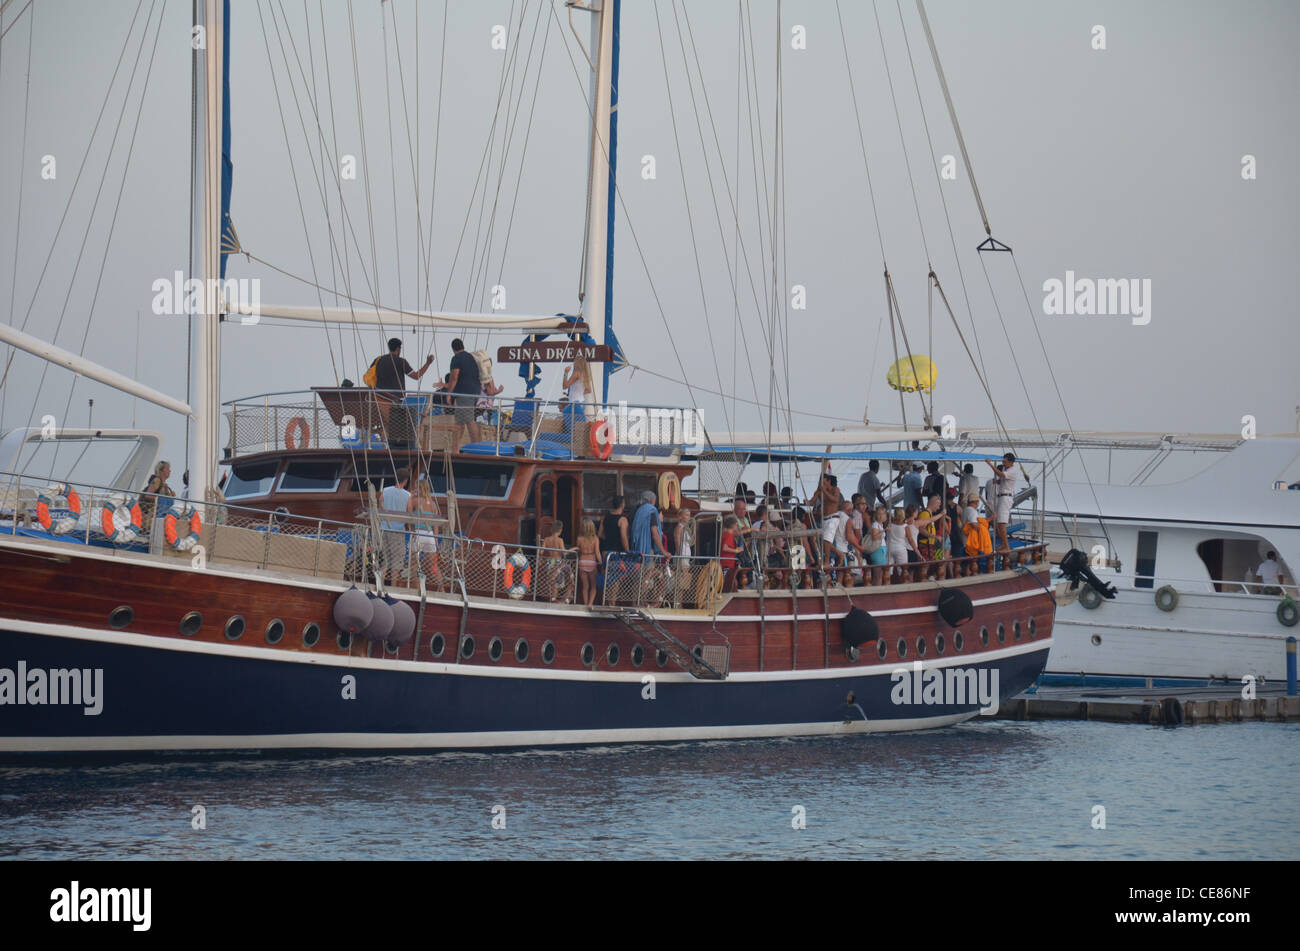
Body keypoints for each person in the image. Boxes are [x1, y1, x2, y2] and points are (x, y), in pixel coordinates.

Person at [441, 338, 482, 448]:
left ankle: (476, 447)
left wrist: (448, 394)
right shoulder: (471, 357)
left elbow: (454, 377)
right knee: (459, 421)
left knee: (469, 420)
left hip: (464, 392)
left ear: (453, 349)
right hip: (475, 391)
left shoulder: (456, 358)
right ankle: (455, 448)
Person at [408, 478, 443, 590]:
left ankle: (418, 590)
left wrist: (411, 497)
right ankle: (442, 590)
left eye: (417, 487)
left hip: (418, 534)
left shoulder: (415, 500)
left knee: (414, 565)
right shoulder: (433, 504)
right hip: (430, 536)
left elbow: (408, 513)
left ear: (421, 488)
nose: (415, 489)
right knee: (433, 567)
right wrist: (436, 540)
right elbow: (435, 524)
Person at [380, 467, 412, 586]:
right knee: (396, 562)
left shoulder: (385, 490)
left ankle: (381, 585)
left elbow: (380, 503)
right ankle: (393, 588)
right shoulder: (408, 495)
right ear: (406, 480)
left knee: (384, 561)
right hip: (398, 531)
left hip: (384, 529)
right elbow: (409, 513)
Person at [986, 452, 1021, 560]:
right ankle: (1003, 543)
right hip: (1001, 497)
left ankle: (1006, 545)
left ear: (1010, 462)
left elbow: (1002, 475)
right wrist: (997, 481)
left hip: (1006, 498)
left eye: (1005, 462)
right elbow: (1002, 480)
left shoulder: (1011, 471)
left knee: (1001, 523)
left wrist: (990, 465)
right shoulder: (1007, 470)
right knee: (999, 523)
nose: (1003, 463)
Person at [561, 351, 595, 436]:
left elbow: (565, 386)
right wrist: (578, 392)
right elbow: (589, 390)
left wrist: (565, 373)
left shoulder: (576, 374)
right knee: (577, 425)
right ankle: (576, 440)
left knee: (567, 419)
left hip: (575, 403)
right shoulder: (584, 374)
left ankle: (572, 440)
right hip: (581, 402)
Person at [140, 460, 176, 534]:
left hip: (158, 517)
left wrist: (170, 496)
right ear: (161, 471)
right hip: (151, 516)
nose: (170, 471)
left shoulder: (165, 486)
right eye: (167, 469)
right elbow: (148, 495)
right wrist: (162, 498)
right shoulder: (157, 481)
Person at [574, 518, 602, 607]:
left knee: (585, 587)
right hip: (592, 562)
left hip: (582, 561)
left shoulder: (579, 538)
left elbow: (578, 550)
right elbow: (597, 552)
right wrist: (601, 563)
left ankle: (585, 605)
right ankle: (590, 604)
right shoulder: (595, 539)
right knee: (593, 586)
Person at [631, 490, 667, 557]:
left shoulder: (637, 511)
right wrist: (664, 552)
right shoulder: (651, 511)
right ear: (652, 500)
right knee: (648, 567)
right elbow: (655, 534)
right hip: (648, 551)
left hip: (636, 549)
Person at [541, 519, 569, 602]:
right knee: (557, 583)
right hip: (558, 562)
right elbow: (564, 553)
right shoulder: (560, 540)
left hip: (550, 562)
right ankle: (554, 599)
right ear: (560, 530)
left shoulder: (546, 539)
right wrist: (574, 549)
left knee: (551, 581)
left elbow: (541, 551)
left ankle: (552, 598)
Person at [886, 508, 912, 583]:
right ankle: (904, 585)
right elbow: (910, 539)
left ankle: (887, 586)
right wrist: (916, 550)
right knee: (903, 570)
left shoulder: (889, 524)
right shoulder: (905, 526)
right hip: (900, 548)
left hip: (889, 547)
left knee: (888, 570)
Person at [720, 515, 742, 592]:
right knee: (729, 582)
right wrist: (736, 550)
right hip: (727, 563)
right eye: (736, 525)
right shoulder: (729, 535)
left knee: (732, 581)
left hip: (728, 563)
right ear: (733, 525)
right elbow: (725, 548)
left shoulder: (725, 534)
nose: (737, 527)